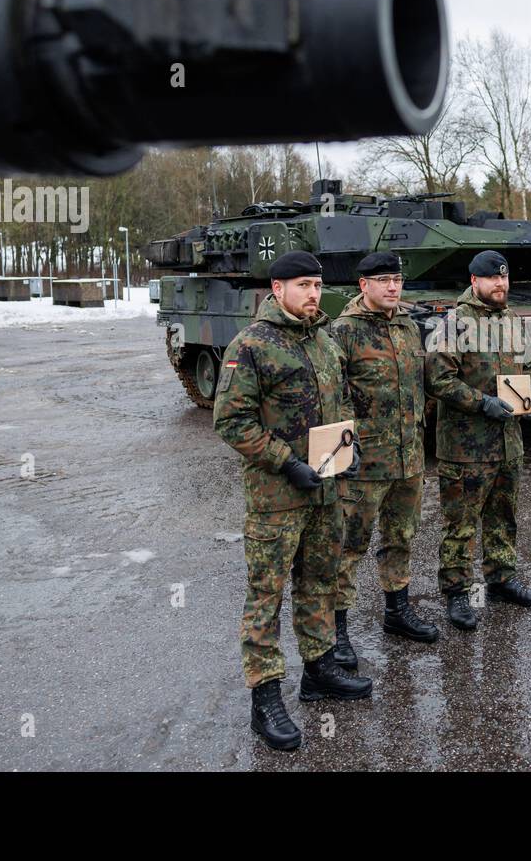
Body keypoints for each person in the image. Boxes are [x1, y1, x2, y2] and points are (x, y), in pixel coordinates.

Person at [213, 250, 371, 752]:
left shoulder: (324, 340)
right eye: (303, 285)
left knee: (320, 581)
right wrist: (286, 462)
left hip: (325, 490)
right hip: (277, 498)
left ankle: (319, 669)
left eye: (318, 286)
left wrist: (351, 445)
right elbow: (231, 422)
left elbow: (341, 402)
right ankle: (265, 697)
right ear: (277, 289)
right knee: (267, 594)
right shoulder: (252, 346)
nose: (313, 294)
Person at [328, 252, 439, 672]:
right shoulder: (344, 332)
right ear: (363, 286)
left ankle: (397, 612)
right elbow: (332, 394)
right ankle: (337, 631)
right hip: (364, 463)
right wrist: (343, 447)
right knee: (350, 546)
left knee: (401, 537)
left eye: (397, 279)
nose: (393, 287)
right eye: (383, 280)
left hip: (409, 457)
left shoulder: (408, 327)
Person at [425, 249, 531, 630]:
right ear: (474, 282)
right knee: (460, 523)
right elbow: (439, 380)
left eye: (504, 279)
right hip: (466, 446)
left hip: (509, 442)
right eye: (493, 279)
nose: (500, 285)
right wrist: (483, 404)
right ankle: (457, 594)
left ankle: (501, 578)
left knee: (503, 516)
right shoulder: (453, 325)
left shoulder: (513, 322)